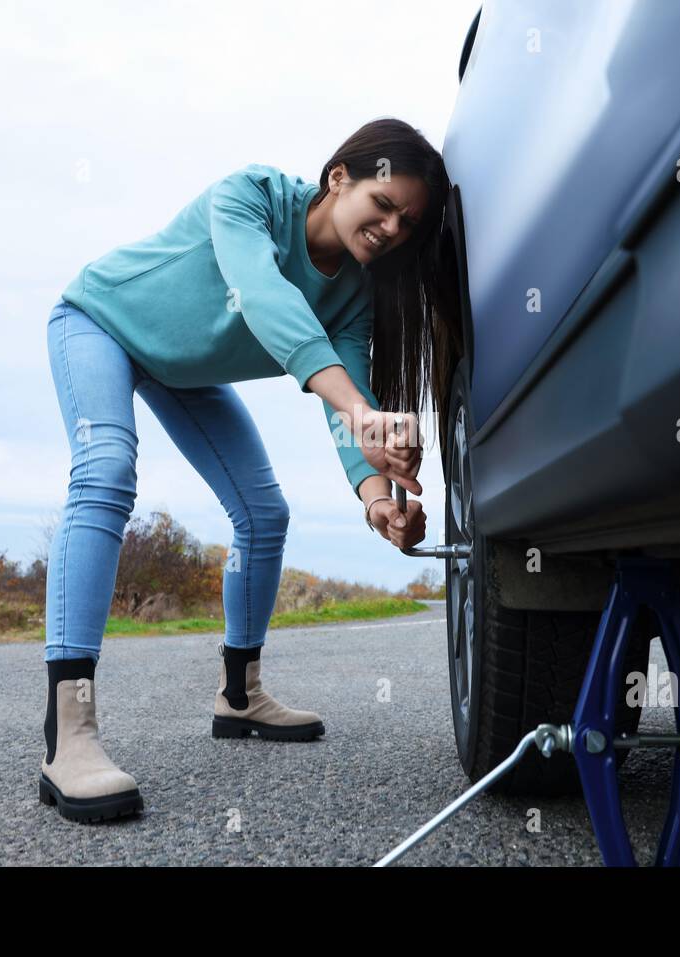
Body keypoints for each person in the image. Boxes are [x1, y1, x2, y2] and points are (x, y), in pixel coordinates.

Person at [38, 117, 459, 823]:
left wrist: (378, 499)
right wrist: (362, 413)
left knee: (266, 514)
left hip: (182, 371)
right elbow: (265, 298)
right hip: (99, 322)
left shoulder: (353, 293)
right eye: (382, 204)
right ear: (339, 179)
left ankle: (240, 695)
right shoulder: (252, 196)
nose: (390, 228)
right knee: (107, 469)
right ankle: (68, 732)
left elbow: (346, 395)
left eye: (406, 223)